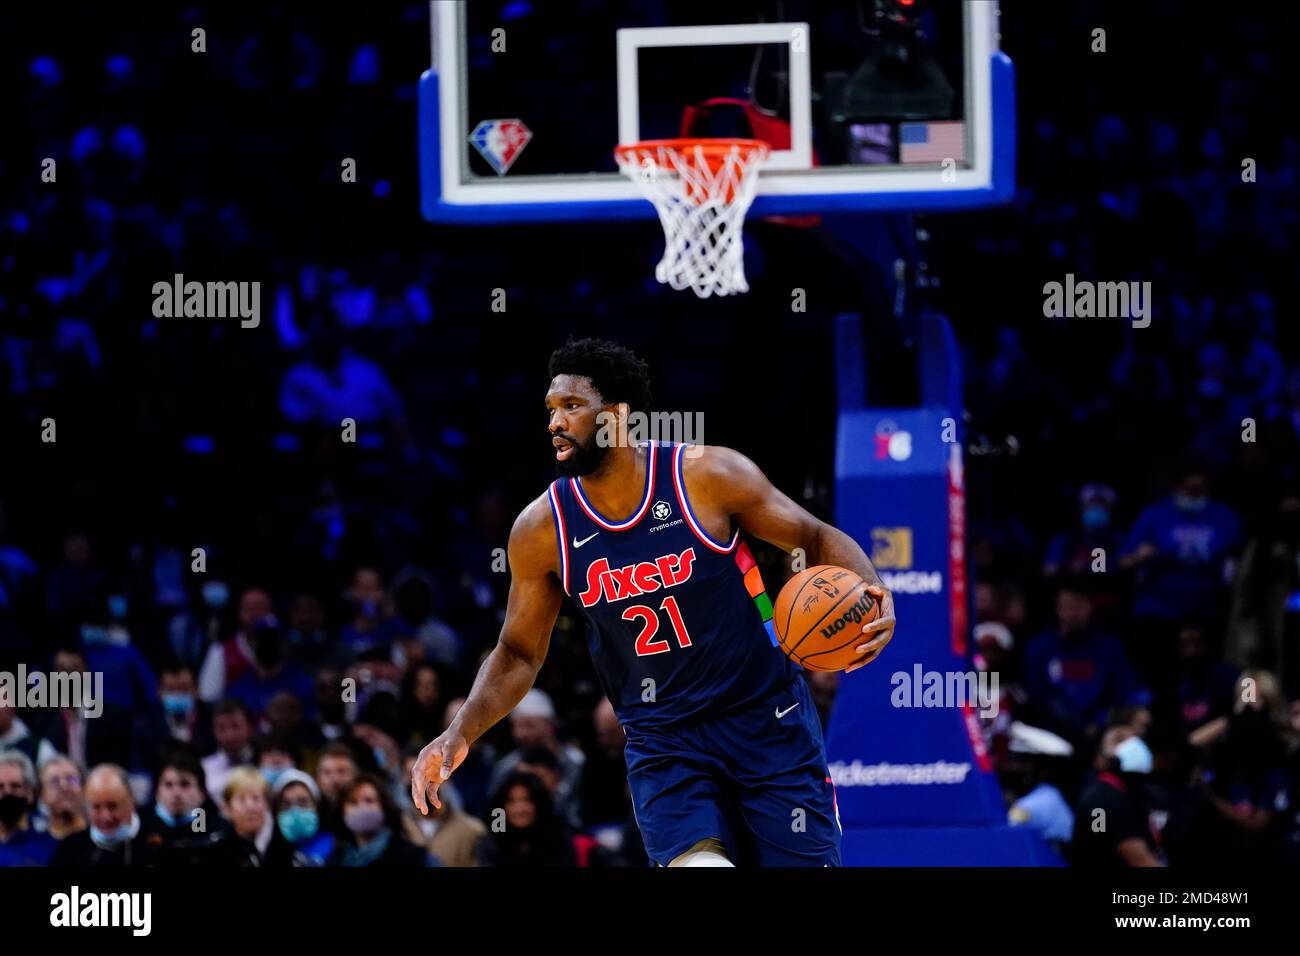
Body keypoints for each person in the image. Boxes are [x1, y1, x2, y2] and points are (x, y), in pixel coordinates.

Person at [412, 339, 896, 867]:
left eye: (572, 407)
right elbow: (518, 653)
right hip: (664, 741)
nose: (555, 422)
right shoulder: (540, 530)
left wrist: (871, 592)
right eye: (550, 410)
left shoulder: (708, 476)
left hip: (765, 718)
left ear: (618, 416)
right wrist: (458, 732)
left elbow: (815, 536)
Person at [485, 689, 585, 830]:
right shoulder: (506, 767)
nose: (521, 734)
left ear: (549, 726)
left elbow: (580, 814)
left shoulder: (576, 763)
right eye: (517, 727)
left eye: (528, 726)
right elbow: (495, 811)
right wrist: (500, 836)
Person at [1070, 725, 1165, 867]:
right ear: (1099, 760)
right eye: (1120, 740)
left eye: (1136, 738)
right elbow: (1141, 862)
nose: (1133, 744)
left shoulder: (1142, 794)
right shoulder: (1101, 801)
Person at [50, 763, 158, 866]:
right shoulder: (70, 849)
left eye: (112, 806)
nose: (105, 816)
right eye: (96, 807)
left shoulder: (157, 845)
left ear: (131, 803)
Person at [477, 770, 577, 868]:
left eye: (527, 800)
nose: (519, 809)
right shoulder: (491, 842)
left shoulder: (560, 839)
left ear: (539, 803)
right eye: (511, 801)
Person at [330, 773, 431, 867]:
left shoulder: (413, 856)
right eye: (353, 802)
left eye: (369, 800)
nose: (362, 807)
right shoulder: (337, 858)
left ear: (383, 806)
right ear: (342, 809)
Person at [0, 751, 58, 866]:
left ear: (30, 793)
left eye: (15, 786)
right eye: (0, 787)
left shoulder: (49, 843)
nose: (7, 792)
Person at [266, 769, 334, 866]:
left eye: (303, 802)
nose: (295, 811)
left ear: (317, 806)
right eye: (286, 805)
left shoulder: (336, 847)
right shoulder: (271, 853)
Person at [201, 700, 256, 802]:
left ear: (250, 728)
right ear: (214, 732)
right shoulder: (204, 767)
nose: (230, 735)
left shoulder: (263, 763)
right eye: (222, 728)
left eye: (235, 726)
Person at [36, 755, 87, 840]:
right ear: (42, 794)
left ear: (84, 789)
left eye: (71, 779)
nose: (64, 786)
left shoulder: (100, 838)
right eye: (54, 781)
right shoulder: (31, 845)